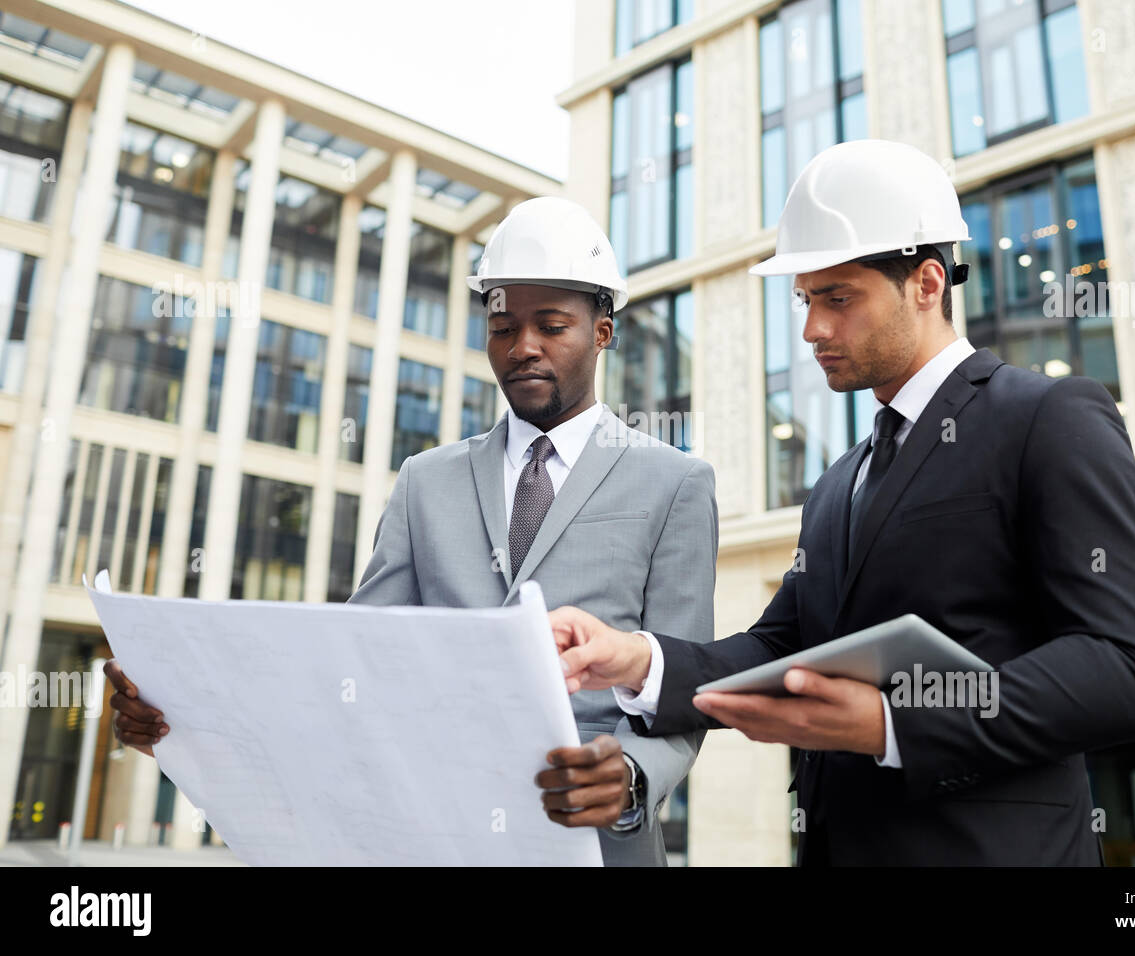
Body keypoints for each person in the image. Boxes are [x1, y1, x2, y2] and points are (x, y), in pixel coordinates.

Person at [548, 139, 1135, 866]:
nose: (814, 328)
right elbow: (780, 648)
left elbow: (1133, 671)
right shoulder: (839, 480)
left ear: (927, 283)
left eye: (838, 297)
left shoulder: (1050, 419)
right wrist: (636, 660)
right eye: (806, 299)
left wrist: (891, 722)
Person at [108, 196, 718, 867]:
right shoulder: (427, 481)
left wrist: (630, 776)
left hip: (599, 846)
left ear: (603, 332)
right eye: (502, 325)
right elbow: (354, 666)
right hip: (435, 837)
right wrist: (181, 717)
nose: (523, 347)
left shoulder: (673, 483)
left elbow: (686, 693)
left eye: (552, 325)